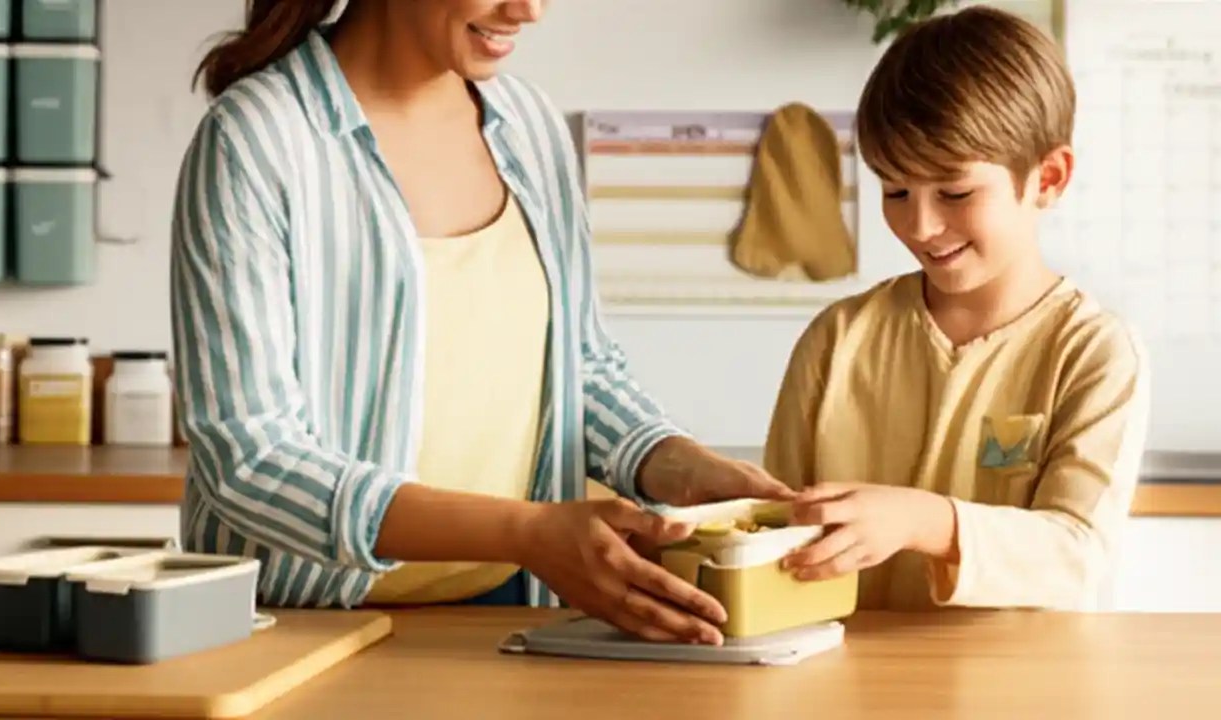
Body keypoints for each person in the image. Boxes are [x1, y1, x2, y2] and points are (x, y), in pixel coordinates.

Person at [169, 0, 795, 646]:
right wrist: (526, 531)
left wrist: (674, 462)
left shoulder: (529, 126)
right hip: (302, 627)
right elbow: (249, 458)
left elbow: (579, 366)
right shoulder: (259, 140)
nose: (529, 10)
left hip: (508, 614)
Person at [764, 6, 1150, 612]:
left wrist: (927, 522)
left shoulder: (1093, 352)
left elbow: (1076, 554)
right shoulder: (836, 340)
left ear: (1048, 178)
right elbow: (778, 526)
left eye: (955, 192)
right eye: (895, 191)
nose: (920, 224)